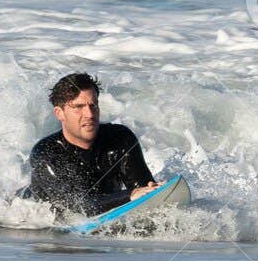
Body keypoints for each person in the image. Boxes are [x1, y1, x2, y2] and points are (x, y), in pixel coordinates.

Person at [25, 73, 160, 218]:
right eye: (78, 107)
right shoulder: (47, 152)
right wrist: (130, 195)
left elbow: (144, 190)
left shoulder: (120, 139)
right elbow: (77, 207)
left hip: (101, 211)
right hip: (36, 222)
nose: (89, 114)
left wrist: (151, 191)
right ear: (60, 114)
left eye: (93, 105)